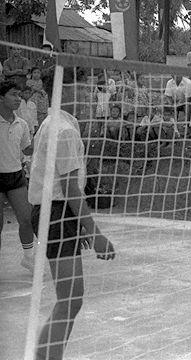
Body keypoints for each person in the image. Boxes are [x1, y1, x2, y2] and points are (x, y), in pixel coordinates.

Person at [28, 81, 116, 360]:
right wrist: (96, 232)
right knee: (69, 300)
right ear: (64, 91)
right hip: (56, 213)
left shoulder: (60, 122)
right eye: (82, 89)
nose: (88, 96)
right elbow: (69, 189)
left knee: (71, 299)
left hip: (57, 213)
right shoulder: (62, 129)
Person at [0, 81, 35, 272]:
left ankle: (29, 258)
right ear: (1, 98)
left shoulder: (21, 123)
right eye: (13, 94)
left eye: (19, 95)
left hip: (16, 176)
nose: (18, 98)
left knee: (27, 219)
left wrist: (41, 140)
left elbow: (27, 149)